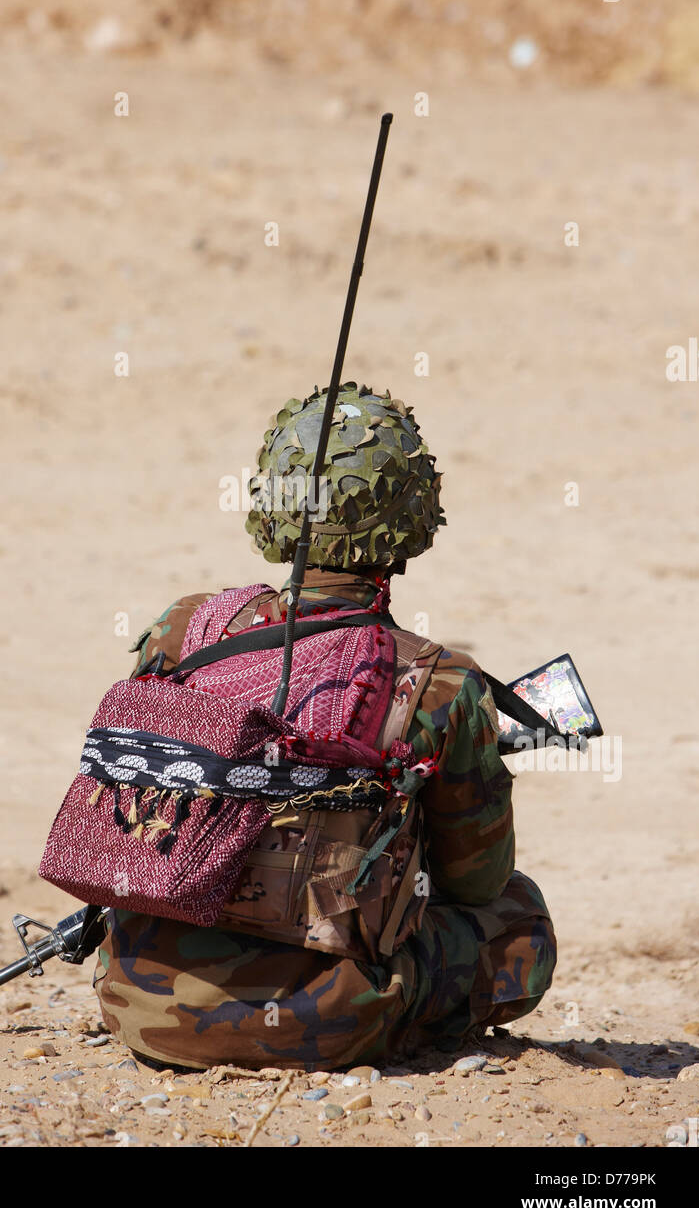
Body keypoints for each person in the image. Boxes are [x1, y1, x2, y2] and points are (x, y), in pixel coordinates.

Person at [93, 383, 556, 1069]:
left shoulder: (185, 628)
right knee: (521, 921)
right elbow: (479, 883)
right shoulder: (441, 682)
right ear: (412, 517)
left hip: (139, 1003)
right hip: (324, 1017)